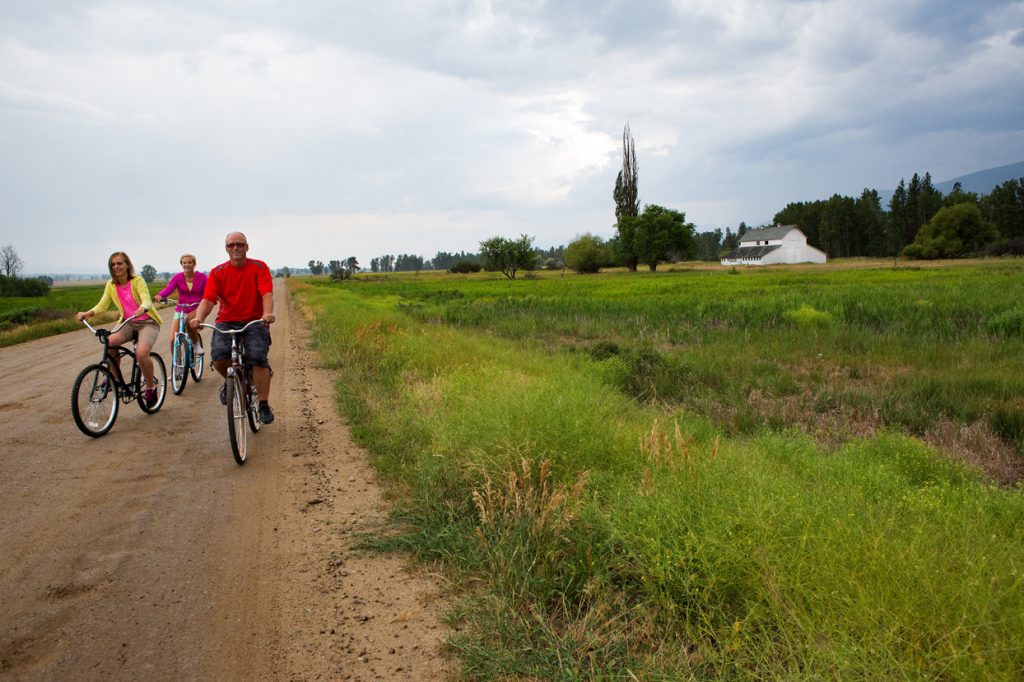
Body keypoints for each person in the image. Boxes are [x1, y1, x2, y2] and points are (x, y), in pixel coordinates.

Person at [191, 231, 276, 424]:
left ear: (247, 247)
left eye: (239, 244)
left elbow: (267, 294)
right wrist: (198, 317)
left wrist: (267, 313)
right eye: (231, 245)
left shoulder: (259, 267)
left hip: (255, 320)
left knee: (257, 358)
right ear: (226, 249)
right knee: (219, 356)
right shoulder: (218, 272)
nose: (235, 248)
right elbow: (208, 299)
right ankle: (230, 382)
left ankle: (263, 404)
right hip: (227, 320)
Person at [75, 251, 163, 406]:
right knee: (110, 342)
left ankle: (150, 387)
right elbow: (103, 304)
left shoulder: (138, 281)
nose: (116, 267)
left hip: (147, 322)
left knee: (141, 354)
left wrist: (143, 308)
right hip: (128, 322)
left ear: (127, 265)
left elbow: (147, 300)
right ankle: (115, 380)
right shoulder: (111, 284)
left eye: (119, 263)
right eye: (113, 264)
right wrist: (88, 313)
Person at [153, 253, 207, 357]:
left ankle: (196, 345)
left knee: (189, 325)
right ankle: (177, 366)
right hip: (181, 309)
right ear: (181, 264)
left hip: (196, 308)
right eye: (184, 263)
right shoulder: (178, 277)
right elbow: (169, 288)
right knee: (173, 339)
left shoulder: (202, 277)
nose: (187, 265)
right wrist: (160, 295)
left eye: (189, 262)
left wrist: (212, 298)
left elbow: (209, 291)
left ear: (194, 264)